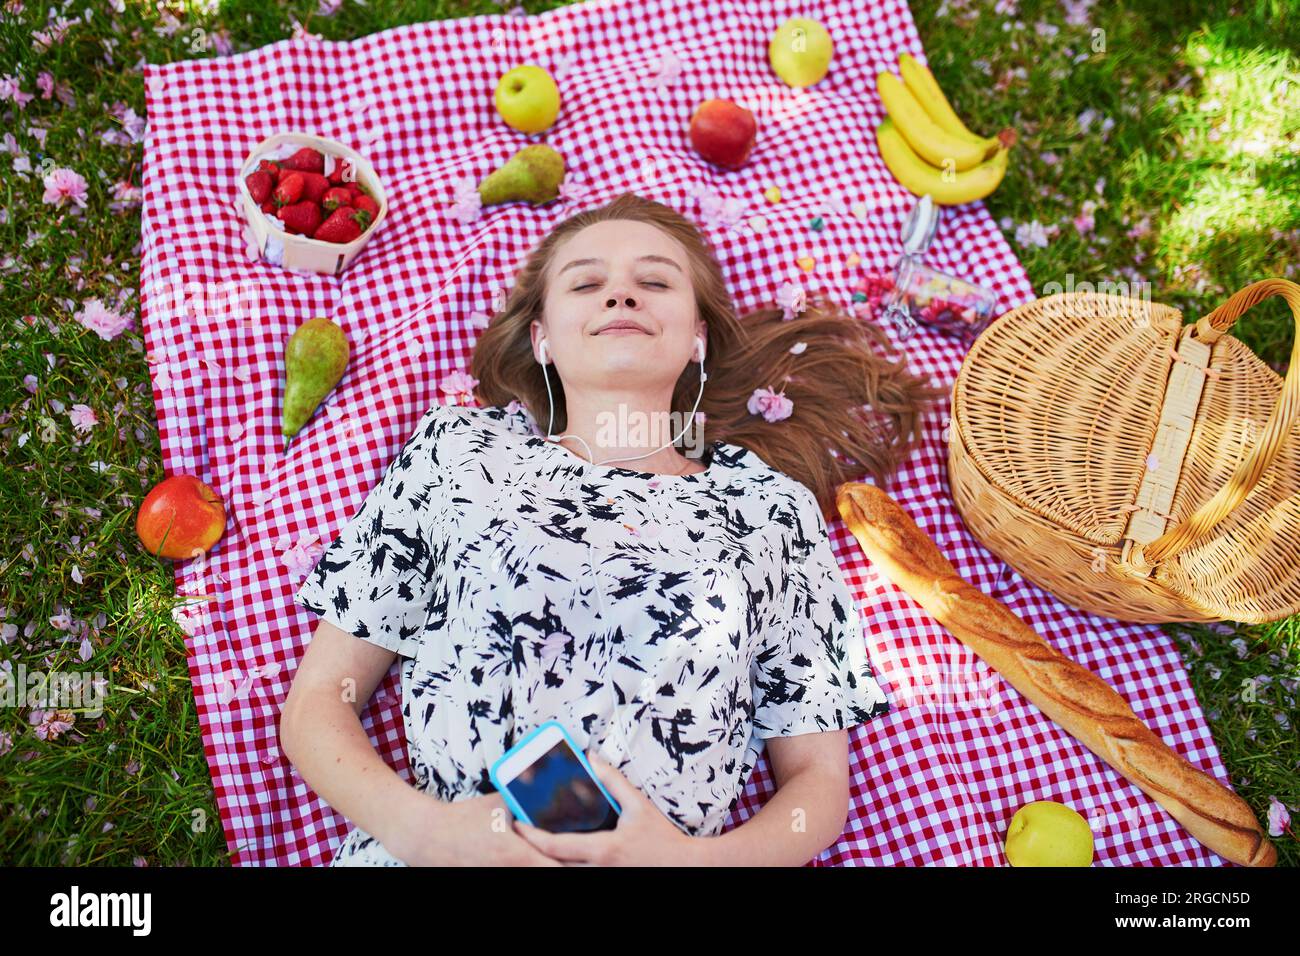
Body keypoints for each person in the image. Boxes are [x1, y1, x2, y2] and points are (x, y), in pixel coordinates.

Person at [281, 192, 942, 866]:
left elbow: (818, 787)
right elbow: (317, 706)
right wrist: (421, 830)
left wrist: (690, 864)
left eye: (654, 282)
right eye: (587, 283)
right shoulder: (460, 453)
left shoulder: (772, 511)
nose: (621, 296)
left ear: (697, 338)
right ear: (541, 337)